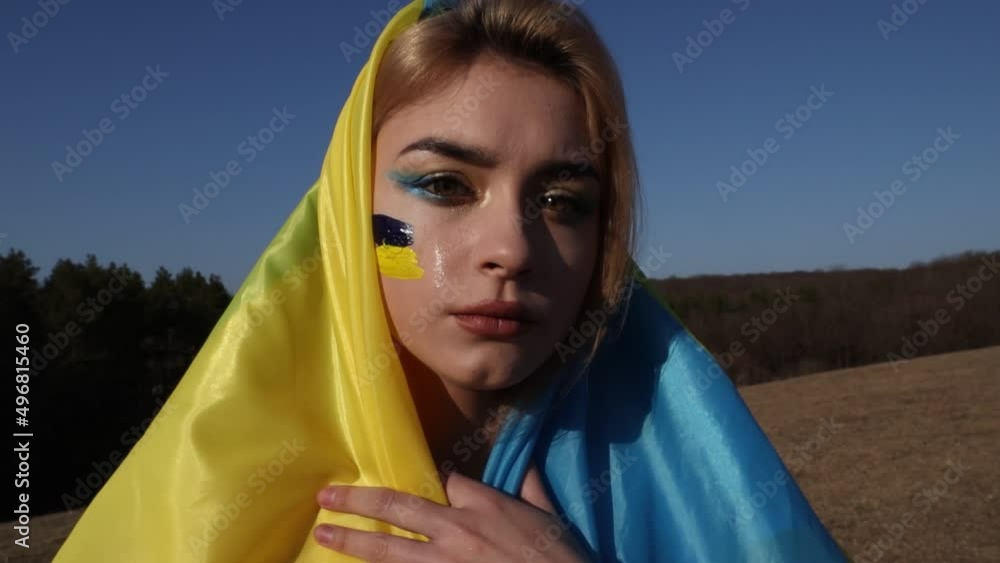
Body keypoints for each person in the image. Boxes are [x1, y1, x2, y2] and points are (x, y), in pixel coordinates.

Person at [55, 0, 849, 561]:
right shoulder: (204, 493)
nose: (511, 247)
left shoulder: (694, 467)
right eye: (443, 185)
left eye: (563, 200)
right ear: (347, 211)